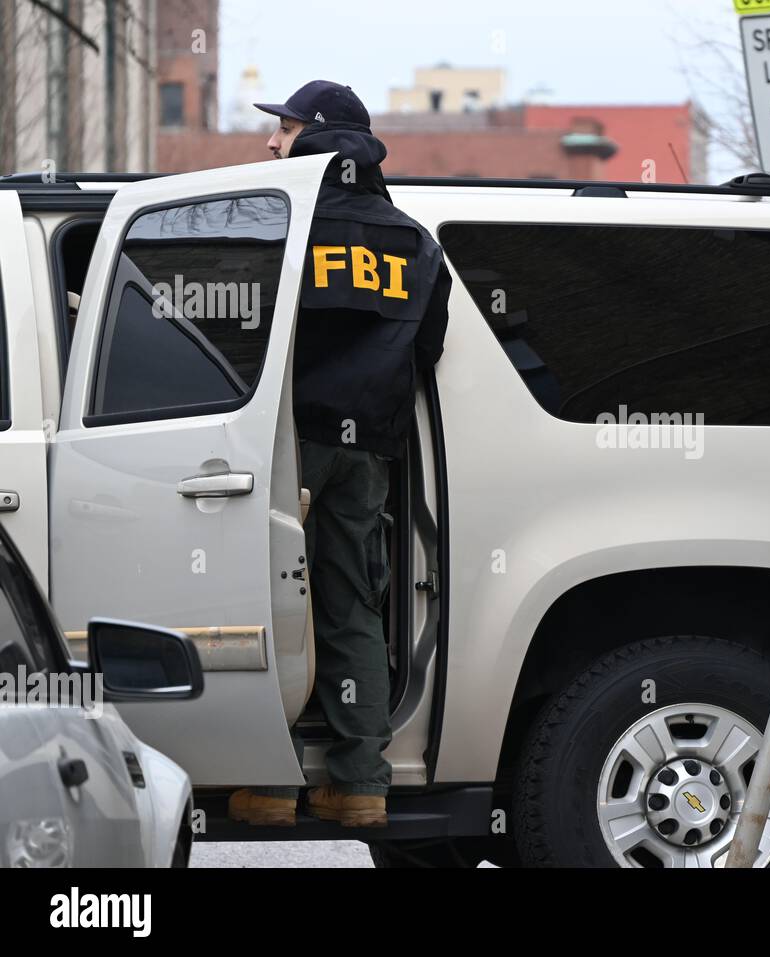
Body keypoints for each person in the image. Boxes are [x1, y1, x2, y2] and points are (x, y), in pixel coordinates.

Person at [228, 81, 451, 828]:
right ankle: (361, 782)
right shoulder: (415, 241)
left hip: (285, 443)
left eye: (284, 130)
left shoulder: (281, 229)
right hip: (369, 450)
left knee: (266, 603)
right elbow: (426, 352)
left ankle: (268, 781)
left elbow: (235, 344)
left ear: (317, 137)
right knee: (351, 603)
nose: (270, 143)